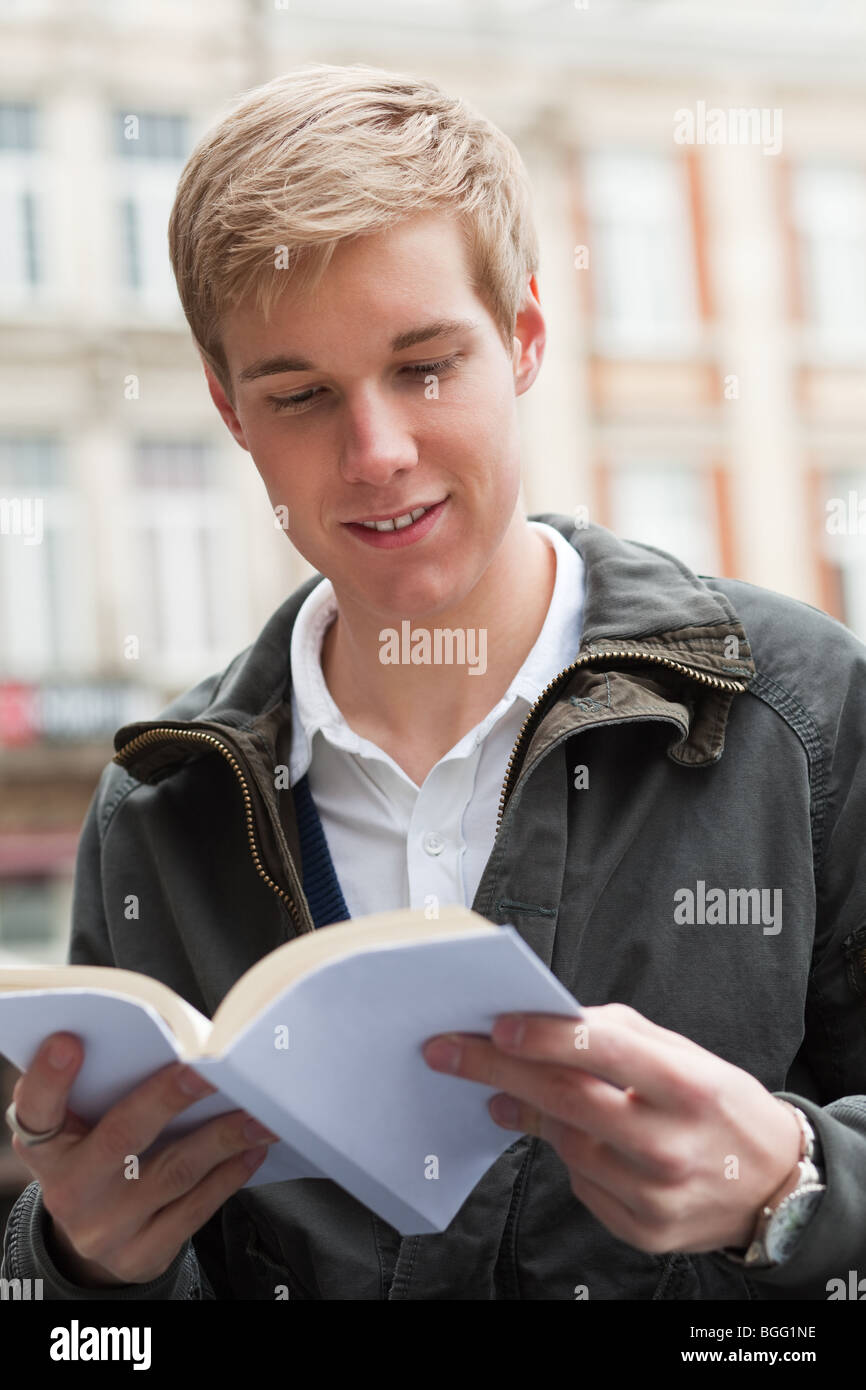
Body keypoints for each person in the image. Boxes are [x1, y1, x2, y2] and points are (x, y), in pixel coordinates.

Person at [2, 62, 864, 1301]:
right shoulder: (156, 809)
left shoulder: (807, 713)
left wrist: (794, 1190)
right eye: (298, 394)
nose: (376, 454)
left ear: (521, 337)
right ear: (228, 409)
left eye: (423, 367)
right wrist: (77, 1269)